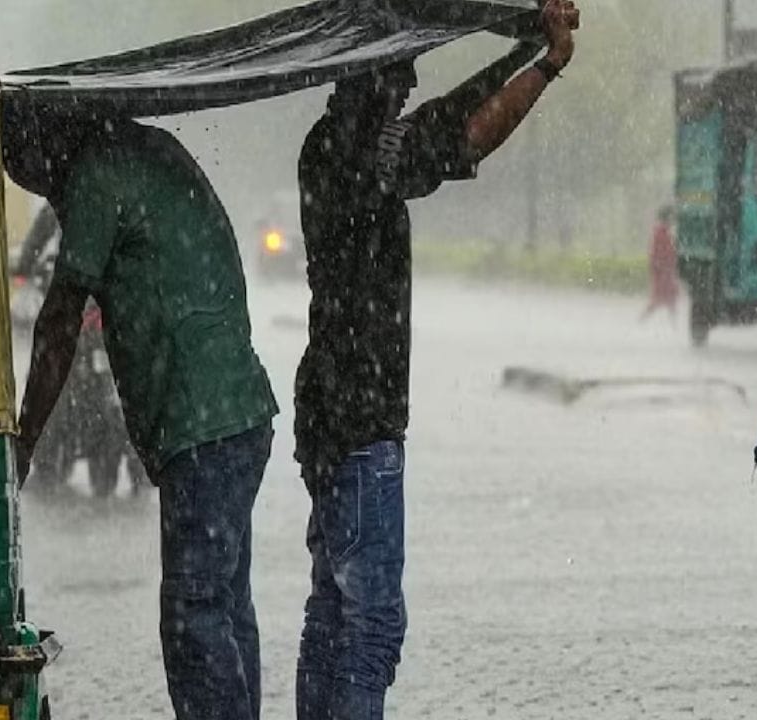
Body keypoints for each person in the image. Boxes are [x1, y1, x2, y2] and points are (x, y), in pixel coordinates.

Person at [292, 1, 579, 718]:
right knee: (372, 625)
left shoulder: (329, 143)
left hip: (328, 417)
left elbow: (446, 121)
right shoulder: (364, 153)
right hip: (359, 423)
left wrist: (525, 49)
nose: (412, 82)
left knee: (332, 614)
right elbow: (464, 136)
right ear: (368, 76)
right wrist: (544, 64)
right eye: (401, 69)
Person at [4, 111, 278, 720]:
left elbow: (58, 319)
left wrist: (24, 441)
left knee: (194, 616)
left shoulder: (98, 172)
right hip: (236, 413)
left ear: (45, 149)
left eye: (30, 174)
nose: (44, 191)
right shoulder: (144, 149)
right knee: (225, 607)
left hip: (199, 419)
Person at [641, 204, 679, 321]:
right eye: (671, 218)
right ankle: (642, 321)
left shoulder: (662, 231)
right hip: (662, 270)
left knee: (668, 298)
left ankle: (673, 323)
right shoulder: (661, 232)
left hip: (664, 270)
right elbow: (664, 252)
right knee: (660, 298)